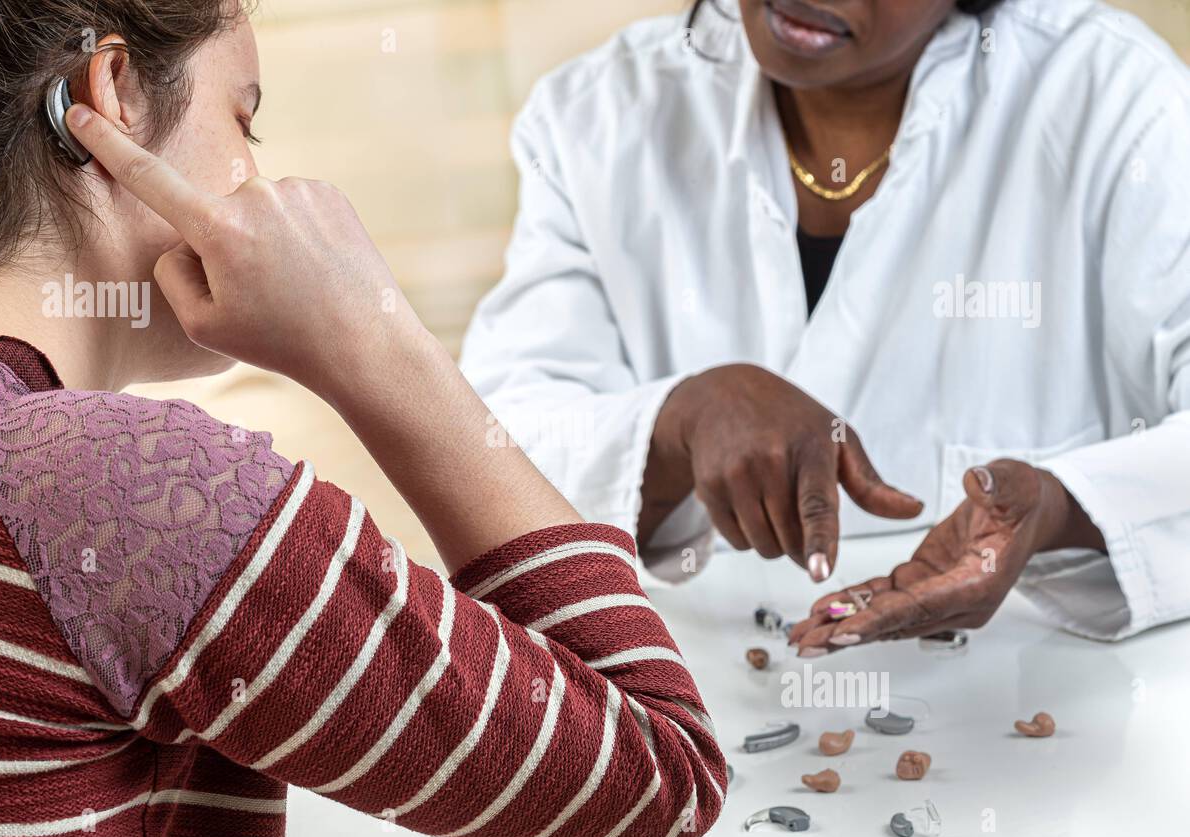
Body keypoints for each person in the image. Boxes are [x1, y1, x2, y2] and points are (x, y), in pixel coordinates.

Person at [0, 0, 725, 837]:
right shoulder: (109, 490)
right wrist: (371, 339)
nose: (259, 174)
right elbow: (662, 774)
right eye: (244, 120)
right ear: (108, 102)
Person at [460, 0, 1190, 651]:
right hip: (698, 717)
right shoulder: (599, 113)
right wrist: (675, 421)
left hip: (1061, 723)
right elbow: (487, 453)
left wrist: (1062, 508)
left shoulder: (1112, 98)